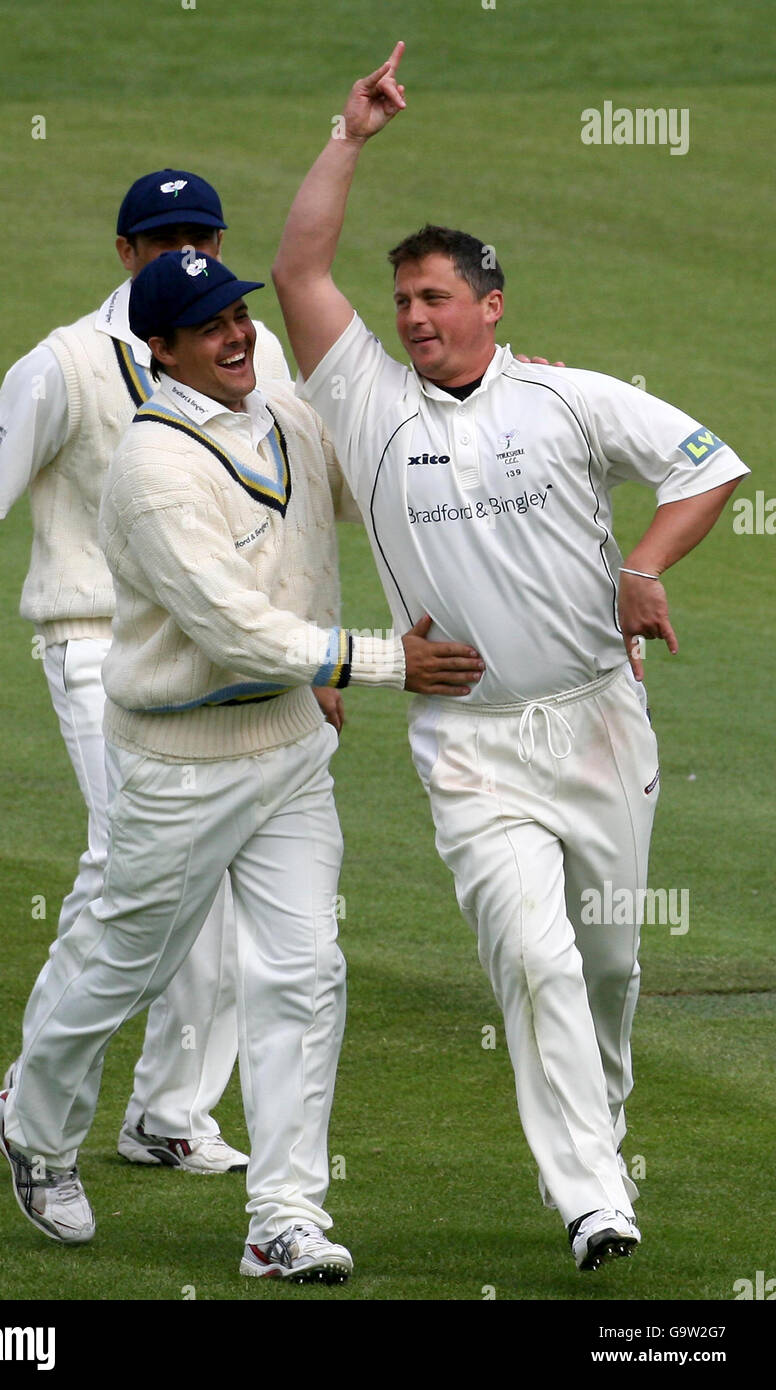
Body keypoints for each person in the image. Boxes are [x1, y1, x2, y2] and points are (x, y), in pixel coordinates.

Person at [271, 42, 750, 1270]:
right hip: (472, 746)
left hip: (596, 718)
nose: (413, 320)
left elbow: (711, 464)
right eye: (403, 305)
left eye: (436, 299)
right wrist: (350, 134)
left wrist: (641, 568)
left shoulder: (568, 398)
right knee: (533, 958)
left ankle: (600, 1125)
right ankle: (593, 1197)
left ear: (491, 305)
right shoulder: (369, 405)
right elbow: (295, 269)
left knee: (604, 961)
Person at [0, 249, 484, 1281]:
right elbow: (234, 630)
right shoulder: (151, 467)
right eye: (206, 324)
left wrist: (480, 411)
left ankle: (282, 1219)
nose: (235, 333)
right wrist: (382, 660)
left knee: (305, 972)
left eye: (238, 314)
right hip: (177, 764)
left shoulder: (289, 413)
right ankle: (34, 1130)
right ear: (160, 348)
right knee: (125, 966)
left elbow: (377, 481)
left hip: (291, 751)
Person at [0, 169, 295, 1176]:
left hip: (221, 655)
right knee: (153, 878)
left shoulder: (249, 348)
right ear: (123, 251)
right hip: (92, 644)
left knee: (149, 881)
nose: (180, 250)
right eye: (159, 238)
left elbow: (296, 484)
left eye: (197, 233)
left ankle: (157, 1112)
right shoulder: (61, 364)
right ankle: (87, 1104)